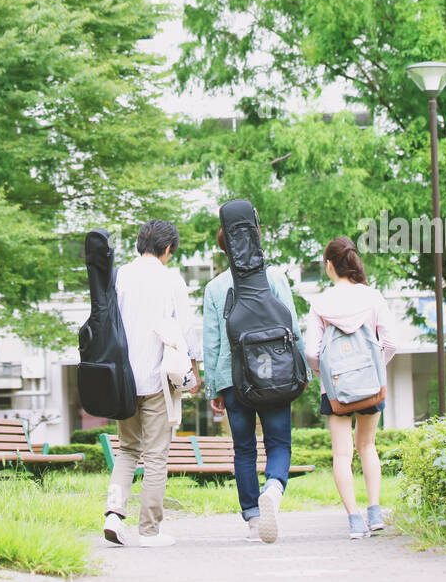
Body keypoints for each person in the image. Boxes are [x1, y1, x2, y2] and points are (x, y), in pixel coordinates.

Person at [203, 214, 309, 544]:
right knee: (279, 443)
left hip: (233, 378)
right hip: (274, 373)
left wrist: (213, 386)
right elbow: (292, 326)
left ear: (224, 248)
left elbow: (211, 342)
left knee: (244, 449)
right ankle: (274, 490)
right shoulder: (274, 277)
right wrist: (301, 368)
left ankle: (252, 517)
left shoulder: (214, 287)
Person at [103, 219, 201, 548]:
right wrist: (193, 372)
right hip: (159, 379)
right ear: (168, 248)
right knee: (157, 455)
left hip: (123, 380)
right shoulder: (171, 280)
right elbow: (185, 331)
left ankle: (113, 514)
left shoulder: (120, 276)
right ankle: (150, 530)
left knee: (128, 450)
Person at [304, 236, 396, 539]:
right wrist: (376, 369)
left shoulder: (320, 303)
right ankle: (375, 511)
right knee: (368, 446)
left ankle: (355, 520)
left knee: (342, 455)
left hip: (335, 390)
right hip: (370, 383)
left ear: (330, 265)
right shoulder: (372, 297)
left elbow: (311, 353)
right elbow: (391, 342)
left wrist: (325, 377)